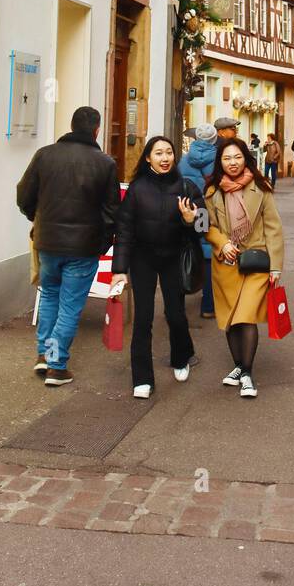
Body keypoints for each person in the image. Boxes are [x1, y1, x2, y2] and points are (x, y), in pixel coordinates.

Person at [17, 105, 120, 387]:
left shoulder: (45, 155)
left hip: (48, 241)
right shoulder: (105, 163)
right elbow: (112, 212)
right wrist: (103, 243)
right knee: (70, 305)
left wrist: (38, 219)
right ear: (97, 130)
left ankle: (43, 354)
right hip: (83, 246)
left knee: (50, 295)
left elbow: (24, 195)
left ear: (71, 126)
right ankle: (56, 365)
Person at [109, 136, 204, 398]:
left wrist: (190, 219)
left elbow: (204, 227)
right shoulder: (138, 189)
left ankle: (181, 356)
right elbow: (124, 230)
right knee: (143, 318)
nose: (165, 158)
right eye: (159, 153)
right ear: (148, 158)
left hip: (174, 257)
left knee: (175, 314)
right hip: (143, 259)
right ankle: (142, 378)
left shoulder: (186, 185)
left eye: (169, 153)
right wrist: (119, 269)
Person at [205, 138, 285, 398]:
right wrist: (222, 243)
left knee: (246, 316)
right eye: (227, 158)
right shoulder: (212, 191)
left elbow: (273, 227)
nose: (232, 163)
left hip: (256, 263)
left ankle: (247, 373)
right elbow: (206, 226)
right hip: (226, 264)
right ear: (220, 162)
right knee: (231, 320)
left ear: (246, 158)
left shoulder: (261, 187)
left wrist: (276, 266)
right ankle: (238, 367)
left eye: (237, 157)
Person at [178, 123, 218, 317]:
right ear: (213, 140)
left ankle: (178, 301)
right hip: (207, 212)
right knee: (208, 252)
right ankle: (208, 306)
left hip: (188, 210)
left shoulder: (184, 159)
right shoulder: (218, 160)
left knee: (187, 249)